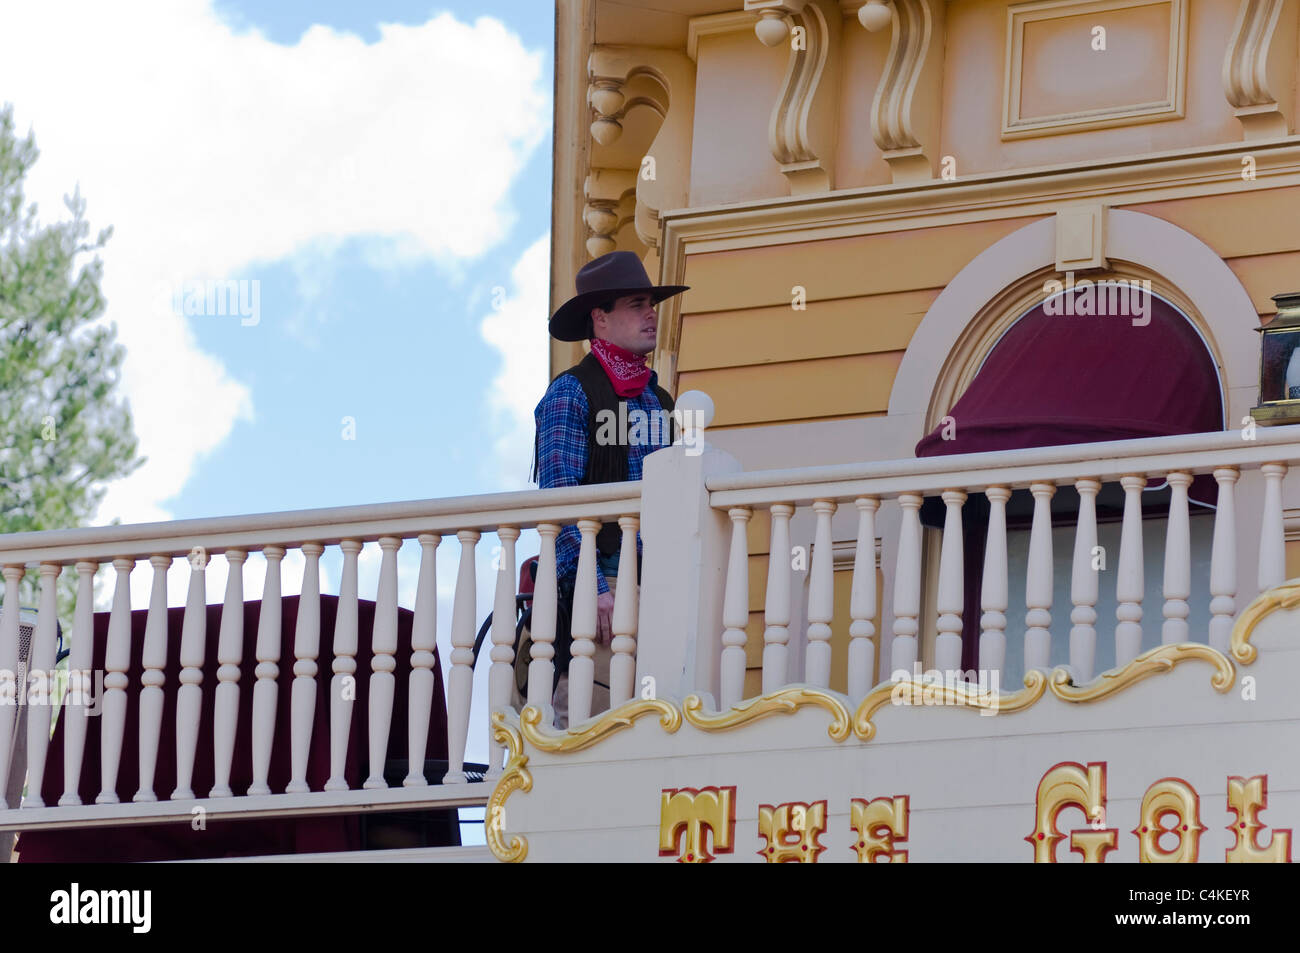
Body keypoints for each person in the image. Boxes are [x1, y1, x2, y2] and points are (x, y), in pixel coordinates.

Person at [522, 251, 689, 728]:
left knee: (654, 730)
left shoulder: (660, 401)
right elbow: (560, 501)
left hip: (653, 589)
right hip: (601, 592)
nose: (651, 314)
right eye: (637, 304)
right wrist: (594, 591)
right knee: (588, 729)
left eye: (651, 304)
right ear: (600, 318)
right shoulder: (570, 392)